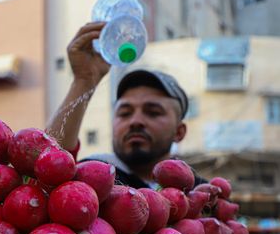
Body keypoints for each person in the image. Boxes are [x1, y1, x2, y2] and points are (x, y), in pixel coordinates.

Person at [47, 22, 203, 188]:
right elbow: (49, 163)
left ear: (179, 132)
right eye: (124, 113)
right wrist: (84, 80)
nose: (136, 121)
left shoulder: (200, 194)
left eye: (153, 112)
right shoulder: (91, 175)